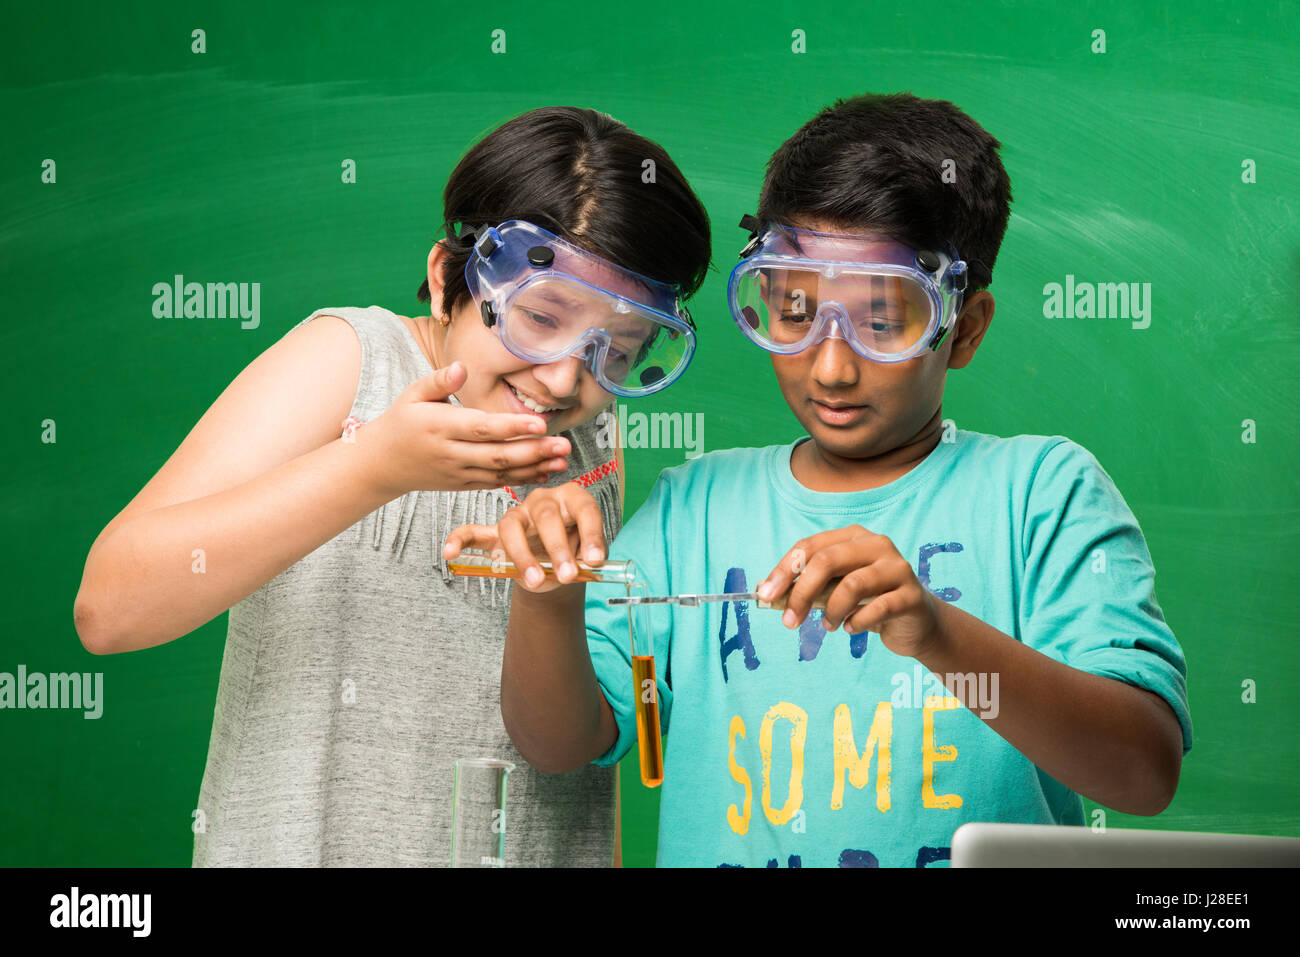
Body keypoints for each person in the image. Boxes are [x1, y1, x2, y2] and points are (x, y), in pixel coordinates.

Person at [444, 92, 1194, 867]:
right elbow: (561, 744)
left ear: (963, 328)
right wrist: (548, 597)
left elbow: (1143, 771)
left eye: (881, 321)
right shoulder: (690, 510)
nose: (831, 365)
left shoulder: (1044, 494)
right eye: (795, 309)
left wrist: (938, 636)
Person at [72, 105, 712, 866]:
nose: (564, 378)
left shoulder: (590, 439)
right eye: (539, 319)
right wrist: (372, 468)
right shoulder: (349, 364)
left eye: (616, 350)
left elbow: (564, 744)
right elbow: (108, 609)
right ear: (448, 281)